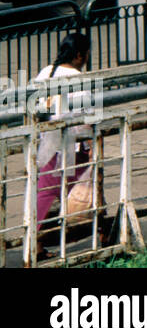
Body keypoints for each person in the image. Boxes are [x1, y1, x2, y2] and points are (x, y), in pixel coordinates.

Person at [33, 34, 100, 255]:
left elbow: (35, 104)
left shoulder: (46, 72)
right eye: (87, 53)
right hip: (72, 146)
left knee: (46, 192)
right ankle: (104, 230)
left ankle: (36, 240)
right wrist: (92, 143)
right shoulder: (79, 78)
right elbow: (87, 116)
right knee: (89, 185)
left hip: (49, 142)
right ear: (79, 55)